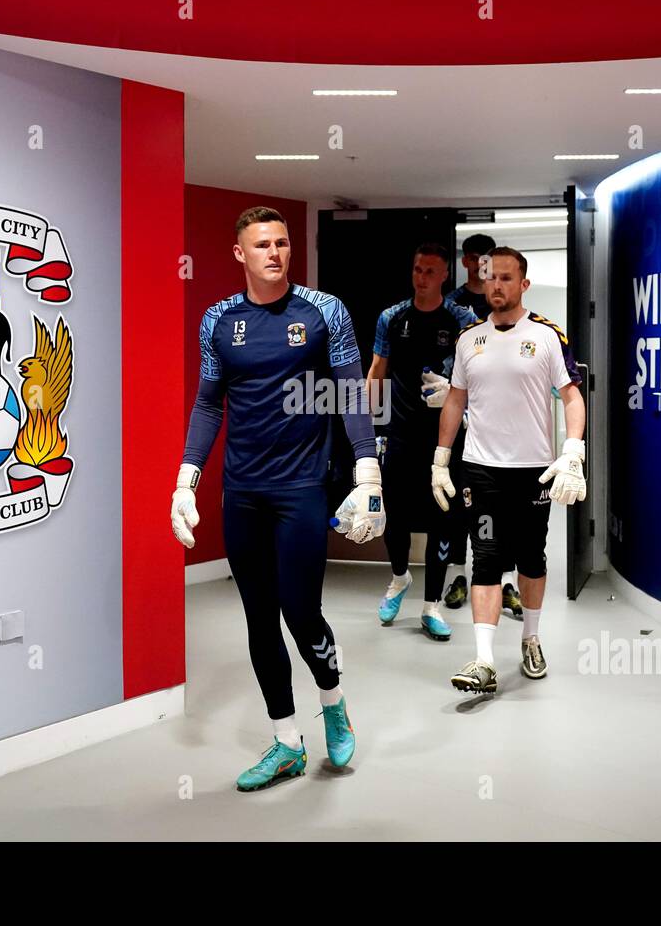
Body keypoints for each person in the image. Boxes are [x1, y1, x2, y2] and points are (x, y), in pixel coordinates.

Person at [171, 206, 384, 790]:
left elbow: (350, 393)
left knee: (301, 609)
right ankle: (286, 740)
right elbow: (209, 403)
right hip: (242, 491)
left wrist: (368, 469)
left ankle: (333, 702)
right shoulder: (219, 319)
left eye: (282, 243)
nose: (275, 253)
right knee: (260, 619)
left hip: (300, 489)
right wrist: (186, 478)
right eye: (262, 245)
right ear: (239, 254)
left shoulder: (324, 311)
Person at [432, 246, 587, 694]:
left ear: (523, 284)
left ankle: (531, 638)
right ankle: (482, 660)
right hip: (480, 470)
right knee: (485, 557)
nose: (495, 285)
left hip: (533, 470)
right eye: (489, 277)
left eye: (505, 277)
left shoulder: (546, 336)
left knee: (532, 557)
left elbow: (571, 395)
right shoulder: (468, 340)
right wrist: (441, 459)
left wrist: (572, 450)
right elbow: (456, 400)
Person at [366, 242, 477, 641]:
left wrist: (453, 391)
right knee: (392, 516)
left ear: (445, 275)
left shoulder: (463, 318)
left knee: (443, 520)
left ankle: (431, 606)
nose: (422, 277)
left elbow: (480, 377)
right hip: (400, 434)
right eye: (417, 269)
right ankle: (399, 579)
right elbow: (377, 371)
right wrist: (364, 429)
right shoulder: (392, 317)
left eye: (430, 271)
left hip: (445, 439)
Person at [443, 233, 524, 618]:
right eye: (476, 260)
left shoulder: (506, 299)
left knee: (503, 507)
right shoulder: (453, 304)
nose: (484, 269)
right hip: (461, 423)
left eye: (488, 261)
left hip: (502, 423)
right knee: (462, 503)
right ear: (466, 262)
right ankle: (459, 575)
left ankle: (506, 582)